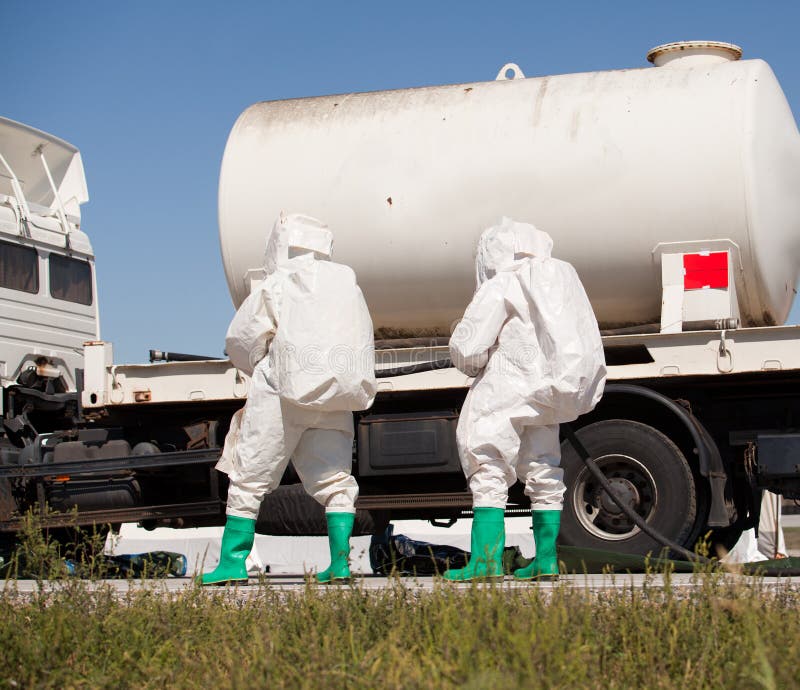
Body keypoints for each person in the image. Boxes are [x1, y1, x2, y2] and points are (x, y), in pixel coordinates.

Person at [201, 213, 377, 585]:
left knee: (250, 475)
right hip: (334, 395)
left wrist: (258, 363)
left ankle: (233, 562)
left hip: (281, 394)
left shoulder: (280, 282)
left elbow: (242, 338)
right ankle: (341, 563)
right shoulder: (348, 285)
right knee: (334, 479)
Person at [443, 218, 606, 582]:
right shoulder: (561, 279)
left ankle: (484, 561)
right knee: (544, 468)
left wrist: (471, 363)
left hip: (507, 385)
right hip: (547, 390)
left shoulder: (503, 282)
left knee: (484, 456)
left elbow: (467, 347)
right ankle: (546, 559)